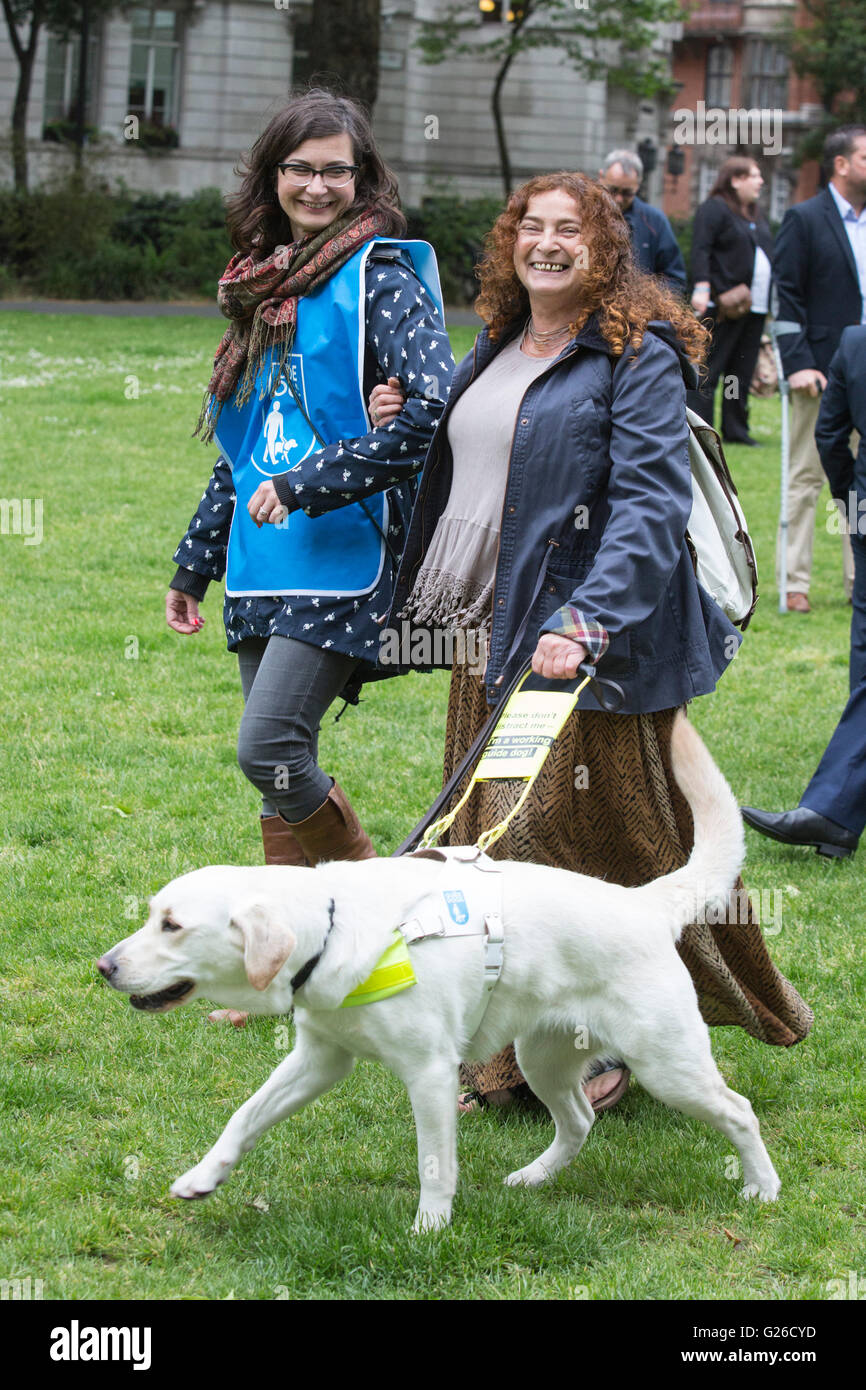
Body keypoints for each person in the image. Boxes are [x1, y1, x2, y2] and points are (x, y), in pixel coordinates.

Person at [372, 172, 812, 1113]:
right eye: (530, 227)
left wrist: (586, 621)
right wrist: (405, 425)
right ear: (509, 244)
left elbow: (652, 504)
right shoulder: (497, 341)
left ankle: (598, 1038)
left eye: (570, 229)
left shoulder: (636, 351)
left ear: (606, 247)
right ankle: (525, 1046)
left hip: (577, 642)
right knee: (524, 838)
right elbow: (486, 462)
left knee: (551, 836)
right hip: (491, 627)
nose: (546, 242)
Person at [166, 90, 453, 1025]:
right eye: (302, 168)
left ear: (362, 178)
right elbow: (244, 449)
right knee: (276, 765)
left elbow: (429, 411)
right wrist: (194, 561)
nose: (318, 185)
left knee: (269, 746)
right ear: (273, 177)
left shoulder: (383, 277)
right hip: (259, 562)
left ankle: (376, 916)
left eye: (337, 169)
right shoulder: (261, 282)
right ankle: (278, 968)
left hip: (345, 555)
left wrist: (311, 483)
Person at [742, 324, 866, 857]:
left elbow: (831, 438)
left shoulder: (855, 342)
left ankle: (837, 812)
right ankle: (839, 810)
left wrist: (850, 499)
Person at [772, 125, 866, 613]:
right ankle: (795, 582)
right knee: (808, 476)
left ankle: (860, 582)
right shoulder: (804, 220)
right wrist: (799, 364)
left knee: (864, 479)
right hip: (822, 372)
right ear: (841, 165)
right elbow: (784, 297)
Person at [688, 156, 774, 448]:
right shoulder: (714, 209)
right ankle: (703, 428)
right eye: (754, 176)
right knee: (710, 369)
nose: (760, 181)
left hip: (754, 308)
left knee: (740, 372)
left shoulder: (752, 214)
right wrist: (702, 287)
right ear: (735, 180)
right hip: (723, 307)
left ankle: (736, 428)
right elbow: (701, 249)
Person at [598, 149, 687, 294]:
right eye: (613, 190)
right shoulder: (583, 214)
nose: (618, 199)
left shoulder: (655, 221)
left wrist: (648, 299)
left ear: (638, 185)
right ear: (601, 177)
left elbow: (675, 280)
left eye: (627, 193)